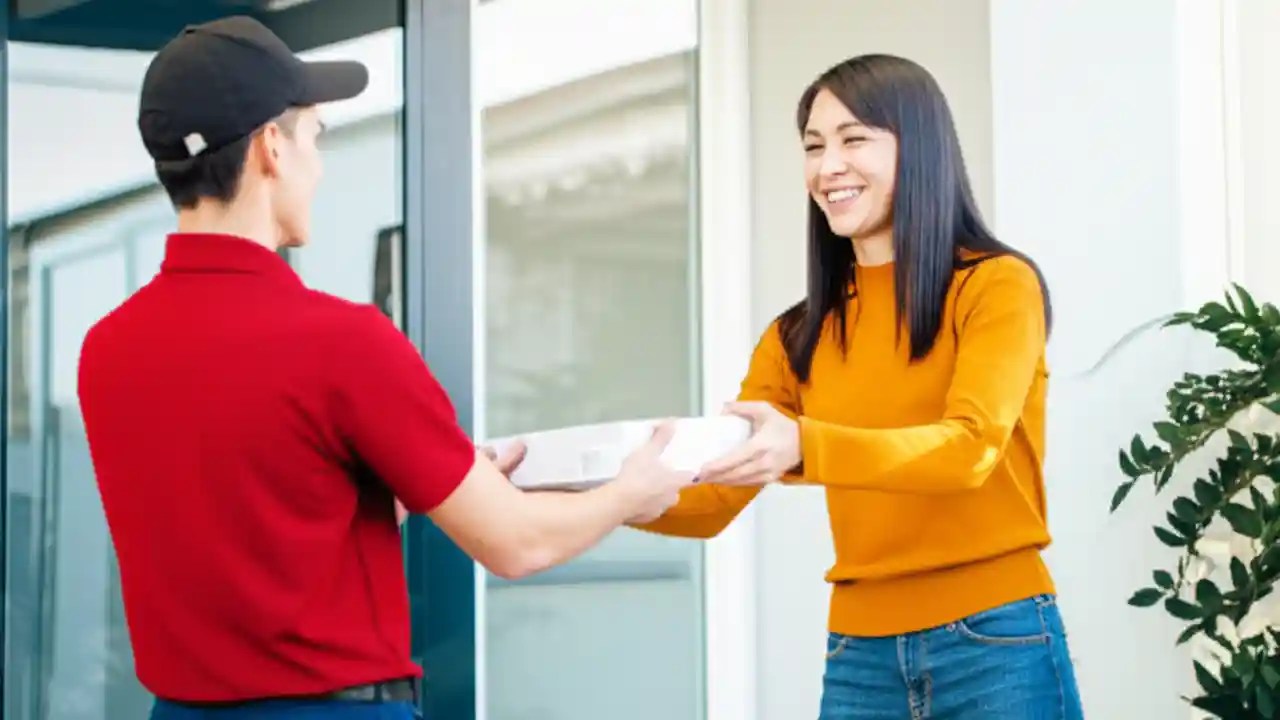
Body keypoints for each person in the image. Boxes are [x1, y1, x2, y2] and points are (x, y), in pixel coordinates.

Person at [76, 16, 694, 720]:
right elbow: (516, 544)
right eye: (316, 137)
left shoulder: (107, 351)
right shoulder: (340, 342)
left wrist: (407, 488)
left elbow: (249, 516)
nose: (320, 164)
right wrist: (631, 493)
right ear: (271, 148)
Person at [636, 54, 1085, 719]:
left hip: (996, 637)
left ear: (918, 145)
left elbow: (970, 449)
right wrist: (594, 493)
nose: (827, 167)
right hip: (859, 655)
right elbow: (715, 498)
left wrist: (805, 446)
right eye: (814, 146)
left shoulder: (995, 286)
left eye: (853, 139)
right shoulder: (796, 336)